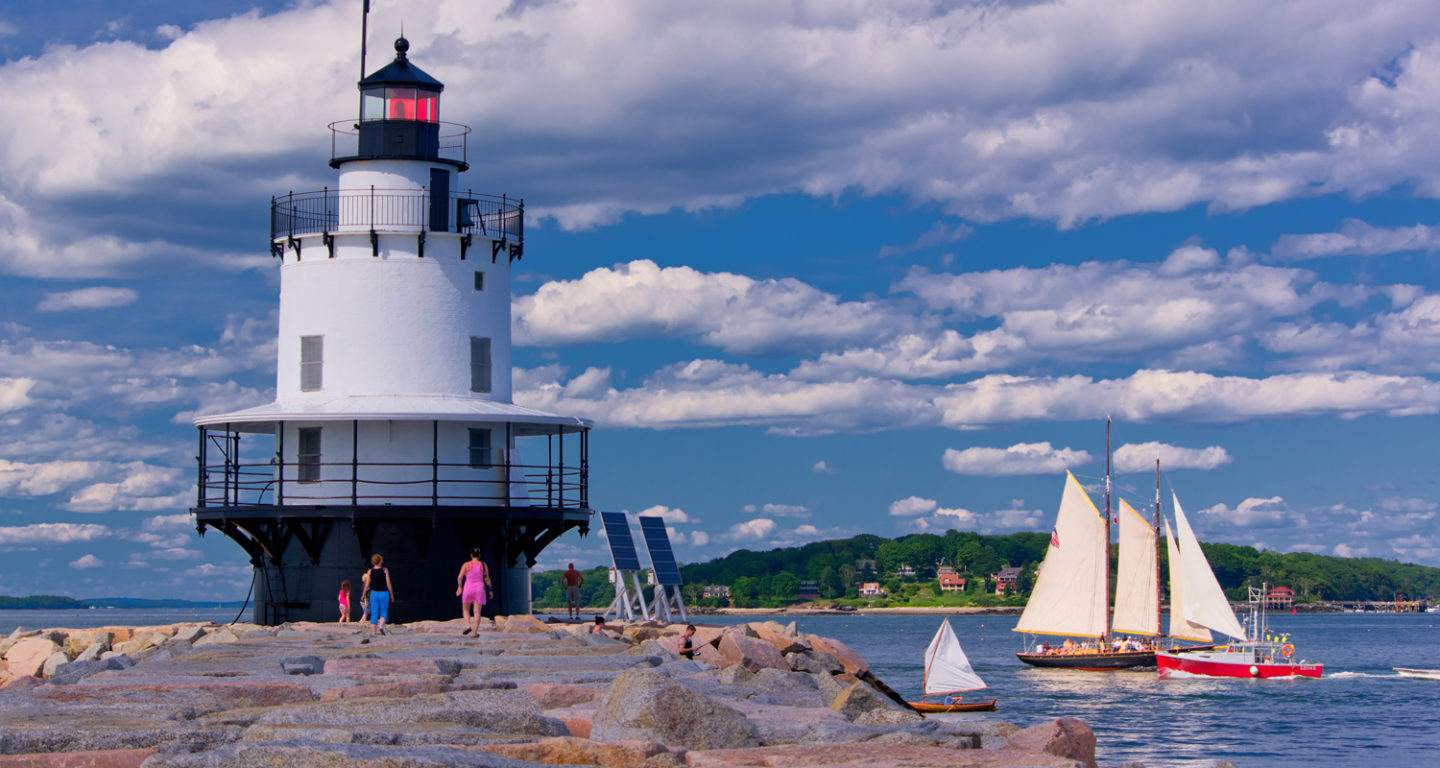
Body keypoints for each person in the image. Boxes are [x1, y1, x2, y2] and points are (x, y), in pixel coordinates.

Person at [456, 548, 490, 636]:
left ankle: (468, 625)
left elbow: (460, 577)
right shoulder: (483, 565)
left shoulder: (466, 565)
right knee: (477, 612)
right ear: (479, 555)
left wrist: (459, 587)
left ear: (471, 555)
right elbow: (487, 579)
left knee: (466, 610)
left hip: (468, 588)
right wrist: (490, 590)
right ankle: (475, 632)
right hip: (479, 589)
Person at [362, 554, 395, 636]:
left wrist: (363, 594)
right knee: (383, 612)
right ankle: (381, 626)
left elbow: (367, 584)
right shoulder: (384, 570)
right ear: (380, 560)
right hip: (384, 593)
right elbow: (388, 583)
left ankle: (373, 633)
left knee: (374, 612)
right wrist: (391, 594)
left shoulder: (370, 571)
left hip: (374, 593)